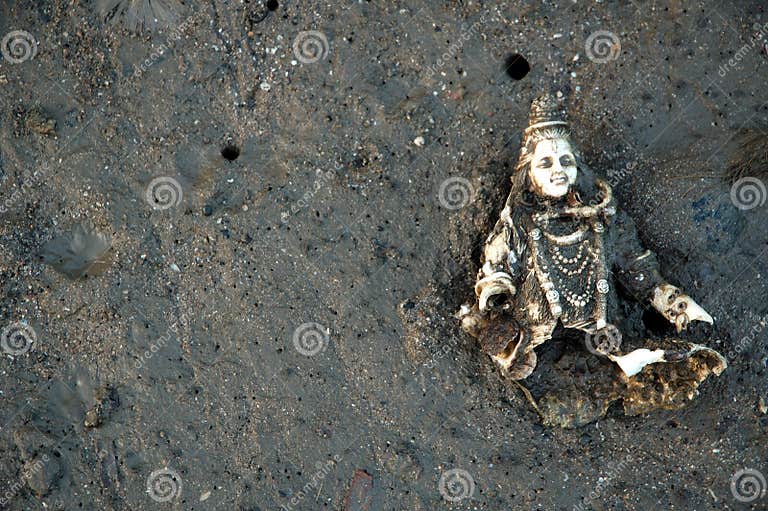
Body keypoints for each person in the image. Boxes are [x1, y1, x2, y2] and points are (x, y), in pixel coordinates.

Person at [460, 93, 714, 380]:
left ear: (577, 167)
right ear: (528, 172)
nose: (558, 170)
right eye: (545, 163)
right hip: (531, 323)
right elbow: (498, 264)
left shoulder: (602, 215)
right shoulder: (519, 221)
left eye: (565, 161)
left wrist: (673, 303)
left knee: (631, 351)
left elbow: (633, 265)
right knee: (511, 354)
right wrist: (496, 294)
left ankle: (639, 361)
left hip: (605, 324)